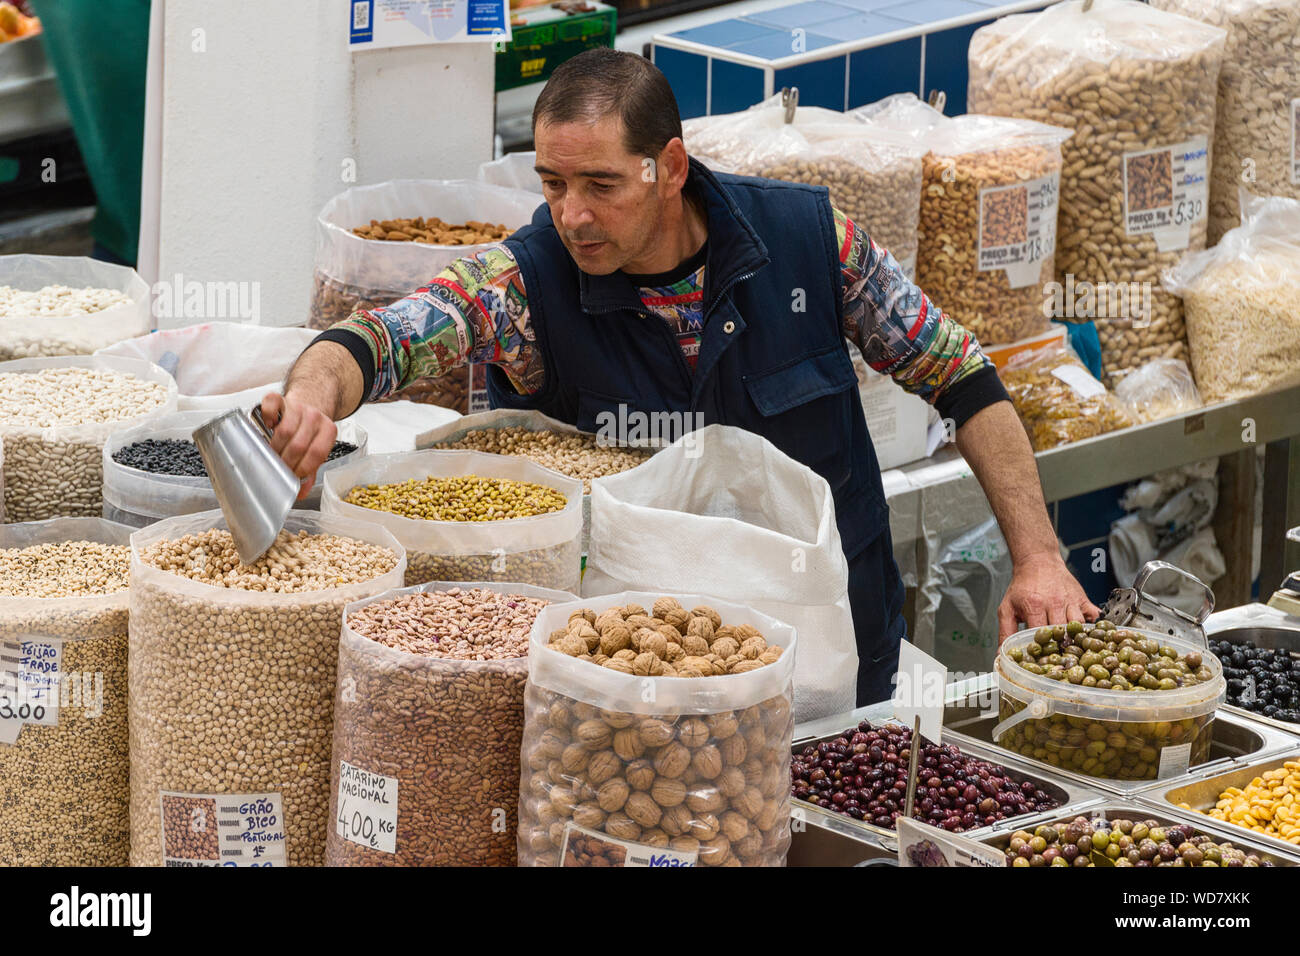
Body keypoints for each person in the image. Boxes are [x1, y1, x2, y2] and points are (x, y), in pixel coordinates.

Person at [264, 48, 1097, 705]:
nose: (572, 215)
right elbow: (385, 337)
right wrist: (313, 394)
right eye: (552, 185)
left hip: (833, 651)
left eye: (600, 184)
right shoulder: (529, 280)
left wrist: (1039, 558)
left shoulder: (808, 241)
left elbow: (965, 380)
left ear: (668, 163)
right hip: (638, 673)